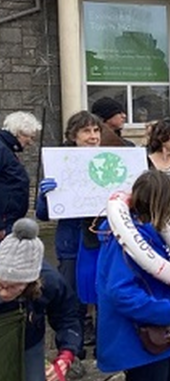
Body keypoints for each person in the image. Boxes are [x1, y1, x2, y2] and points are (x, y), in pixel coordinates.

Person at [96, 171, 170, 381]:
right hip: (142, 340)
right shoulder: (121, 240)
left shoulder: (149, 231)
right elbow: (121, 293)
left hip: (160, 338)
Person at [36, 111, 102, 358]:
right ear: (73, 135)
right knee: (71, 297)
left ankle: (102, 342)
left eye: (96, 131)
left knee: (102, 293)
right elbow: (43, 214)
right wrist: (46, 195)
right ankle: (72, 349)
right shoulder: (59, 164)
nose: (93, 136)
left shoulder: (110, 160)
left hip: (102, 240)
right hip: (72, 242)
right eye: (86, 131)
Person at [0, 218, 81, 381]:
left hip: (29, 342)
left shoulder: (50, 282)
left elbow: (68, 317)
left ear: (31, 281)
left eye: (12, 287)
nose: (2, 292)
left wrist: (67, 354)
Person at [1, 111, 41, 239]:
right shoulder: (3, 151)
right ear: (19, 132)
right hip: (4, 222)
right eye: (29, 137)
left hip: (9, 220)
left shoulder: (6, 150)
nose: (30, 142)